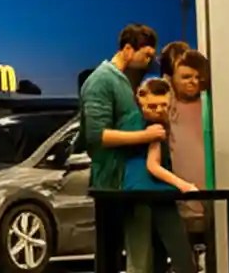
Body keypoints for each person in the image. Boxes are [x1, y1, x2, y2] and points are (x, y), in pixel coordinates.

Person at [79, 24, 165, 273]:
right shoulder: (101, 81)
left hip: (129, 179)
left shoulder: (124, 81)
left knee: (137, 250)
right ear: (128, 49)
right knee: (109, 250)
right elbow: (98, 136)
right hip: (110, 180)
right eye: (146, 54)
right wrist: (144, 136)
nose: (150, 61)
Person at [122, 78, 198, 273]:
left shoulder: (134, 120)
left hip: (142, 191)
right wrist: (184, 185)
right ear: (141, 99)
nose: (157, 110)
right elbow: (153, 165)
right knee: (163, 255)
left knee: (147, 257)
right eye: (152, 106)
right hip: (148, 192)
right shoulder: (152, 126)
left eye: (163, 105)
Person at [160, 42, 214, 265]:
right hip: (182, 196)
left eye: (196, 76)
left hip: (212, 194)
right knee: (184, 261)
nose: (192, 81)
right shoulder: (168, 105)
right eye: (184, 76)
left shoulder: (209, 102)